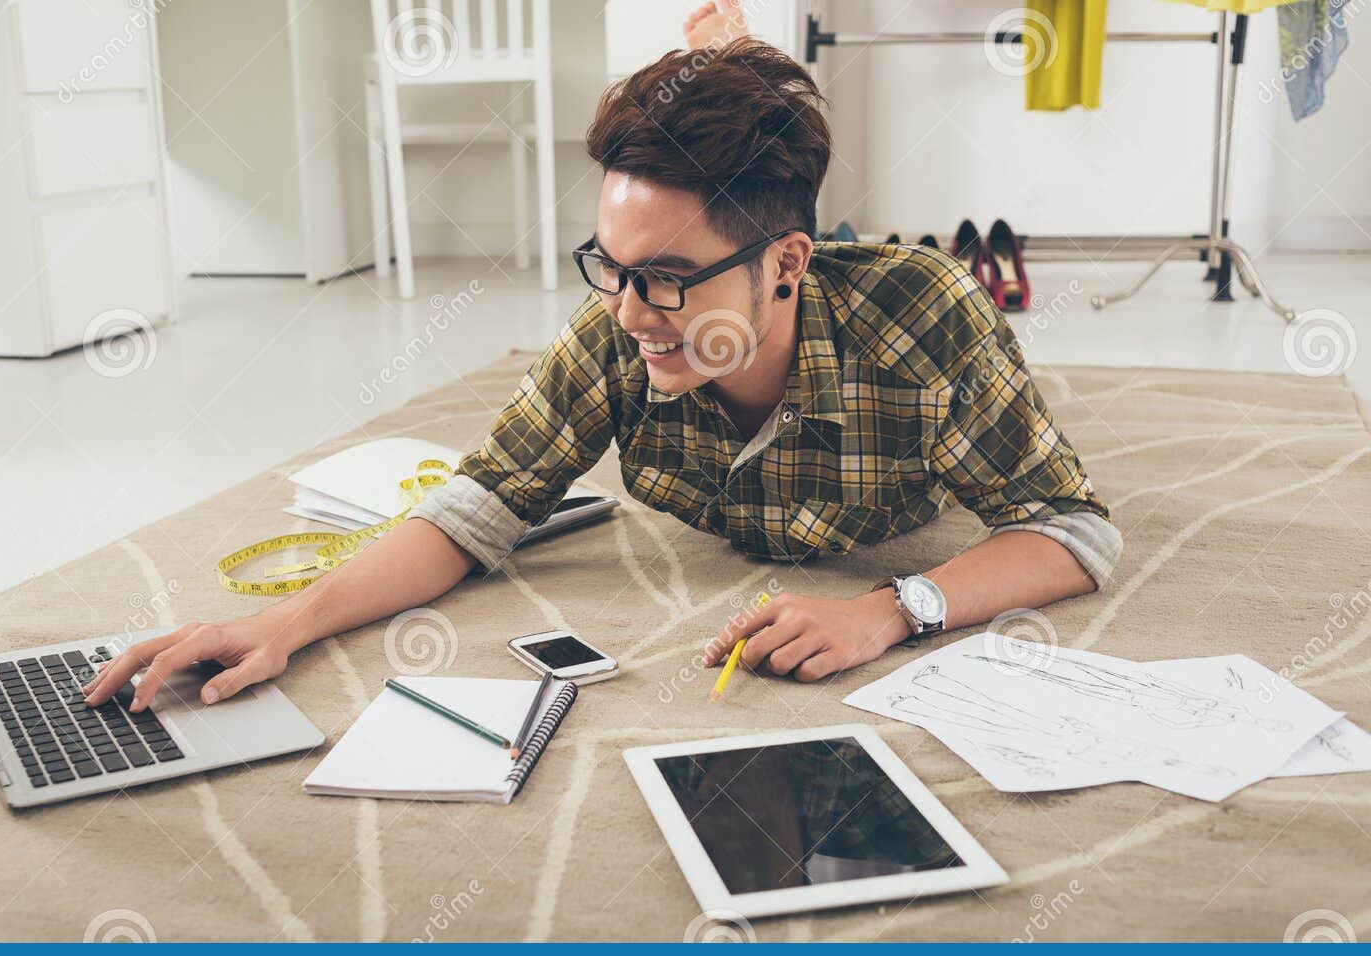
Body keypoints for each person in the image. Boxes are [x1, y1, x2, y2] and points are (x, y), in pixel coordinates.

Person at [83, 24, 1121, 716]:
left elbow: (1072, 529)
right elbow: (478, 507)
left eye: (666, 277)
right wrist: (282, 625)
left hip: (899, 486)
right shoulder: (616, 331)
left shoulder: (925, 316)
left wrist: (888, 610)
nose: (627, 310)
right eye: (611, 268)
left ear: (786, 263)